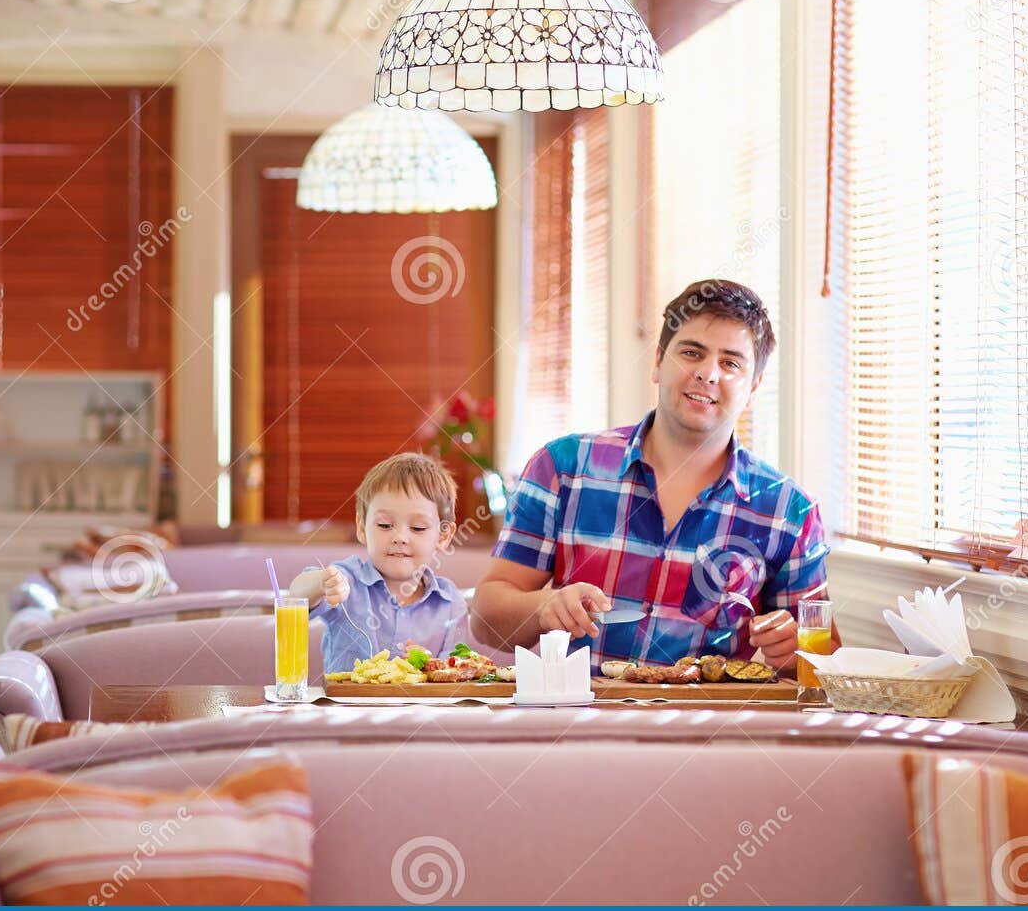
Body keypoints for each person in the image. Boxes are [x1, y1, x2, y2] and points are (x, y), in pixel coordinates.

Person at [472, 279, 831, 670]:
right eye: (691, 353)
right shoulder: (563, 467)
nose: (708, 373)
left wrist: (796, 650)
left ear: (754, 384)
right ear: (658, 362)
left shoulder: (789, 511)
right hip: (578, 708)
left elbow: (822, 657)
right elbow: (486, 621)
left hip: (708, 712)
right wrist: (544, 608)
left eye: (731, 363)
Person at [289, 452, 469, 673]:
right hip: (347, 697)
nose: (400, 537)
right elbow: (297, 594)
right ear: (362, 527)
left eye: (418, 528)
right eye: (384, 525)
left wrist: (429, 666)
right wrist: (321, 582)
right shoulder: (347, 581)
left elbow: (456, 676)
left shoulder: (451, 603)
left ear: (443, 536)